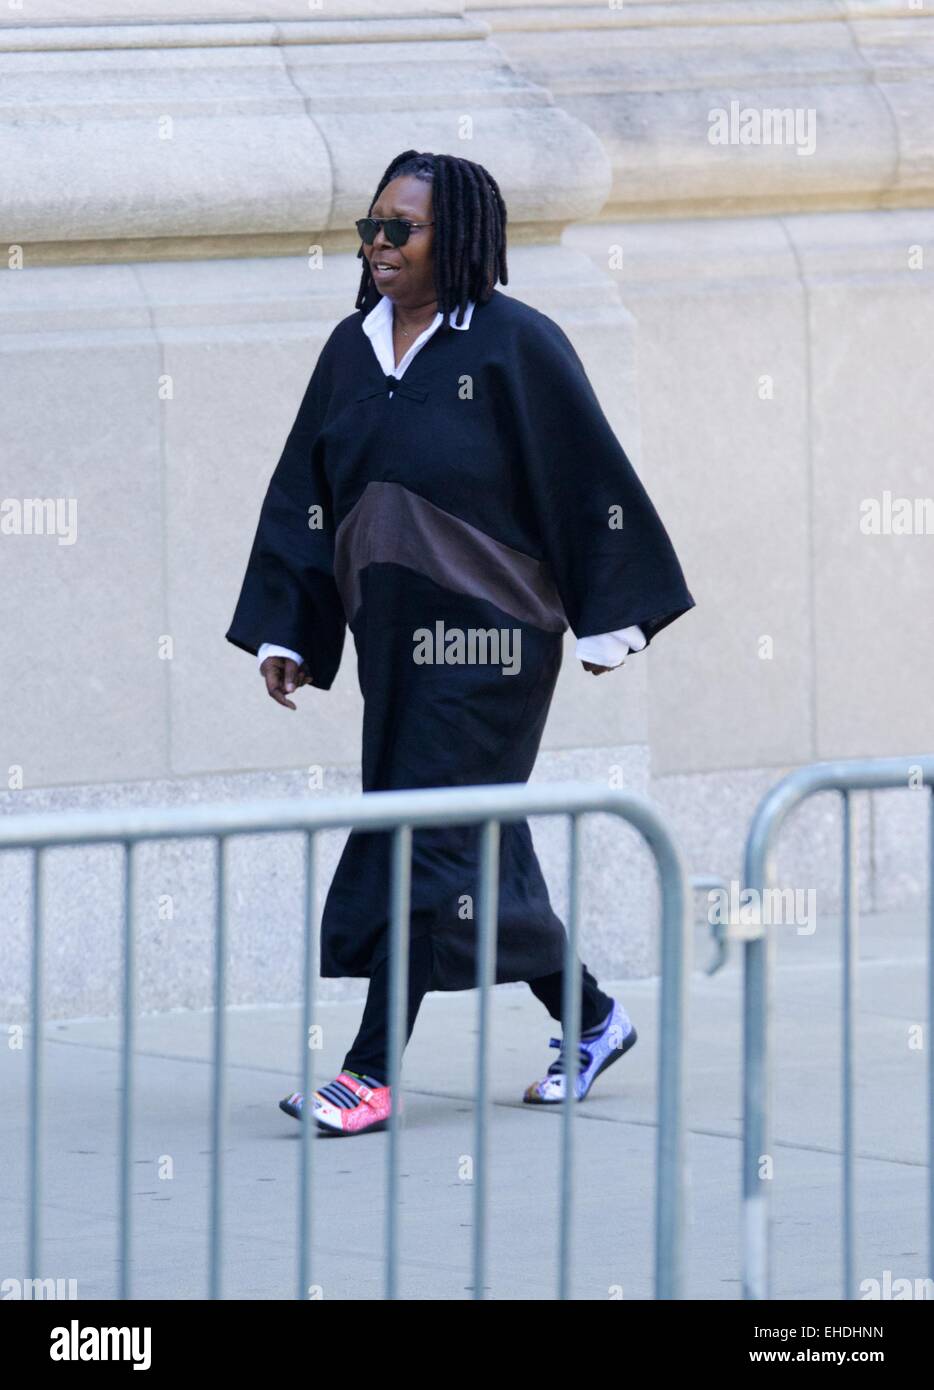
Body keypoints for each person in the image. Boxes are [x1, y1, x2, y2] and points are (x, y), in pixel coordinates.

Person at [226, 150, 695, 1136]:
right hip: (392, 640)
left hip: (491, 641)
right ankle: (592, 1016)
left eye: (404, 228)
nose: (380, 243)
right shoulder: (351, 348)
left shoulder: (513, 345)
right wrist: (292, 626)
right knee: (467, 841)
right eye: (373, 224)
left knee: (420, 834)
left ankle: (366, 1070)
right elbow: (303, 497)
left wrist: (613, 614)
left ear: (461, 241)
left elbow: (585, 475)